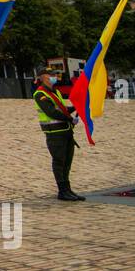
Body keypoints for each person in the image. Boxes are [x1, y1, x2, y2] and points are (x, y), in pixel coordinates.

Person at [33, 67, 84, 201]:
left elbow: (62, 109)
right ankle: (62, 191)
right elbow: (52, 112)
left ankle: (68, 190)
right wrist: (70, 119)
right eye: (52, 75)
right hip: (54, 133)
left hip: (65, 131)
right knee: (59, 161)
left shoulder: (55, 92)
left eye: (55, 74)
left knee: (67, 162)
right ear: (43, 77)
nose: (55, 76)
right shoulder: (40, 94)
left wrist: (76, 107)